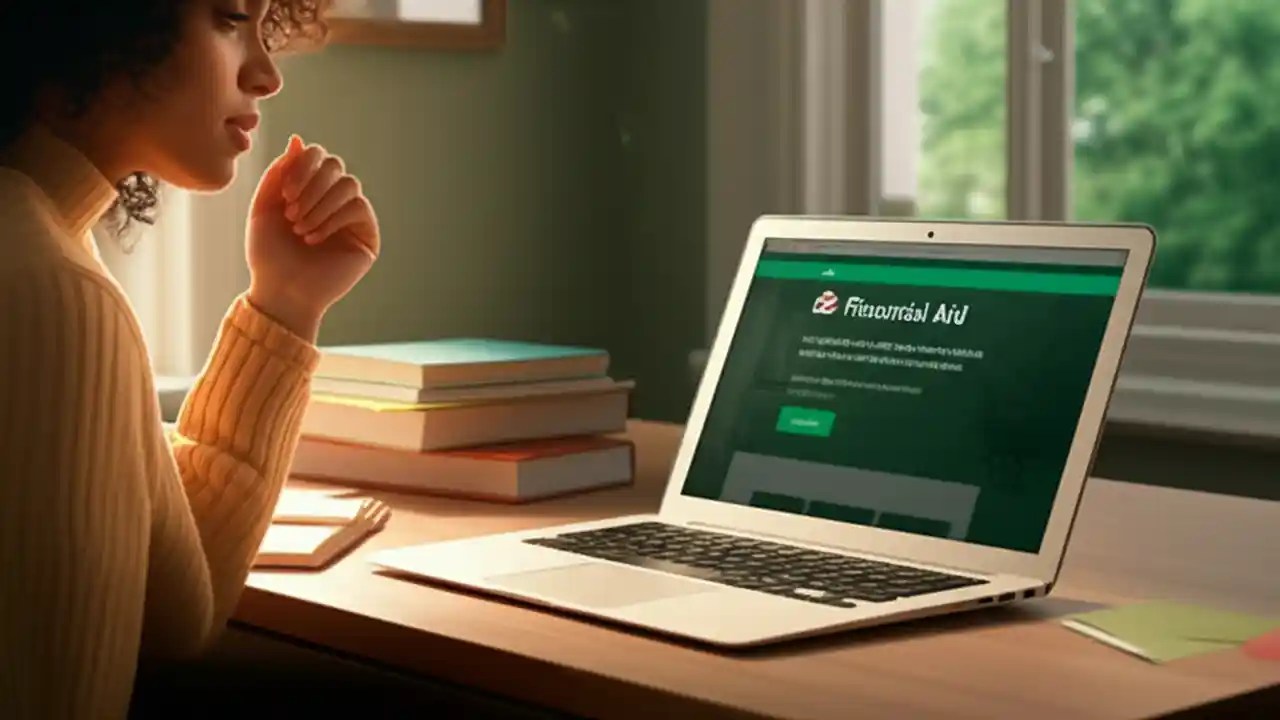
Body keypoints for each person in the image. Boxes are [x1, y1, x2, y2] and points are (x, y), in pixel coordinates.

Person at [0, 1, 381, 717]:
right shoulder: (54, 289)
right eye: (231, 17)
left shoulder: (49, 241)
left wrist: (286, 303)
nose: (266, 75)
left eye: (267, 26)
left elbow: (177, 609)